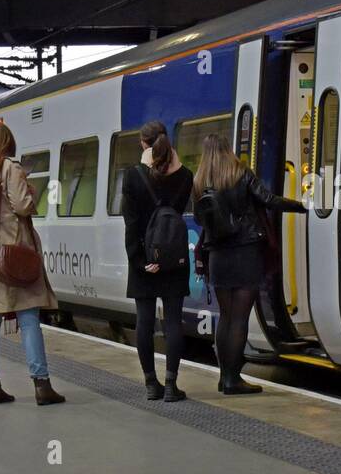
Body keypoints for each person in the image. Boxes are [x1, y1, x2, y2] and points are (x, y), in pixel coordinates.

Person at [192, 133, 306, 395]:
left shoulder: (199, 181)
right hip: (245, 252)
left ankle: (224, 377)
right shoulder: (240, 173)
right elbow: (269, 200)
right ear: (227, 149)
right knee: (240, 318)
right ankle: (233, 379)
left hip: (218, 255)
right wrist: (302, 206)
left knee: (226, 317)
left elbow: (200, 220)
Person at [0, 121, 66, 406]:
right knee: (29, 316)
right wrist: (31, 195)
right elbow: (21, 206)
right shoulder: (10, 168)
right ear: (7, 142)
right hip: (12, 250)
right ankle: (41, 384)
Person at [121, 120, 194, 402]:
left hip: (145, 259)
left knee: (145, 321)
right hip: (174, 259)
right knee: (173, 322)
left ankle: (152, 384)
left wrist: (140, 261)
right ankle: (172, 385)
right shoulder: (186, 176)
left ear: (143, 144)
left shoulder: (133, 176)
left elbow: (131, 224)